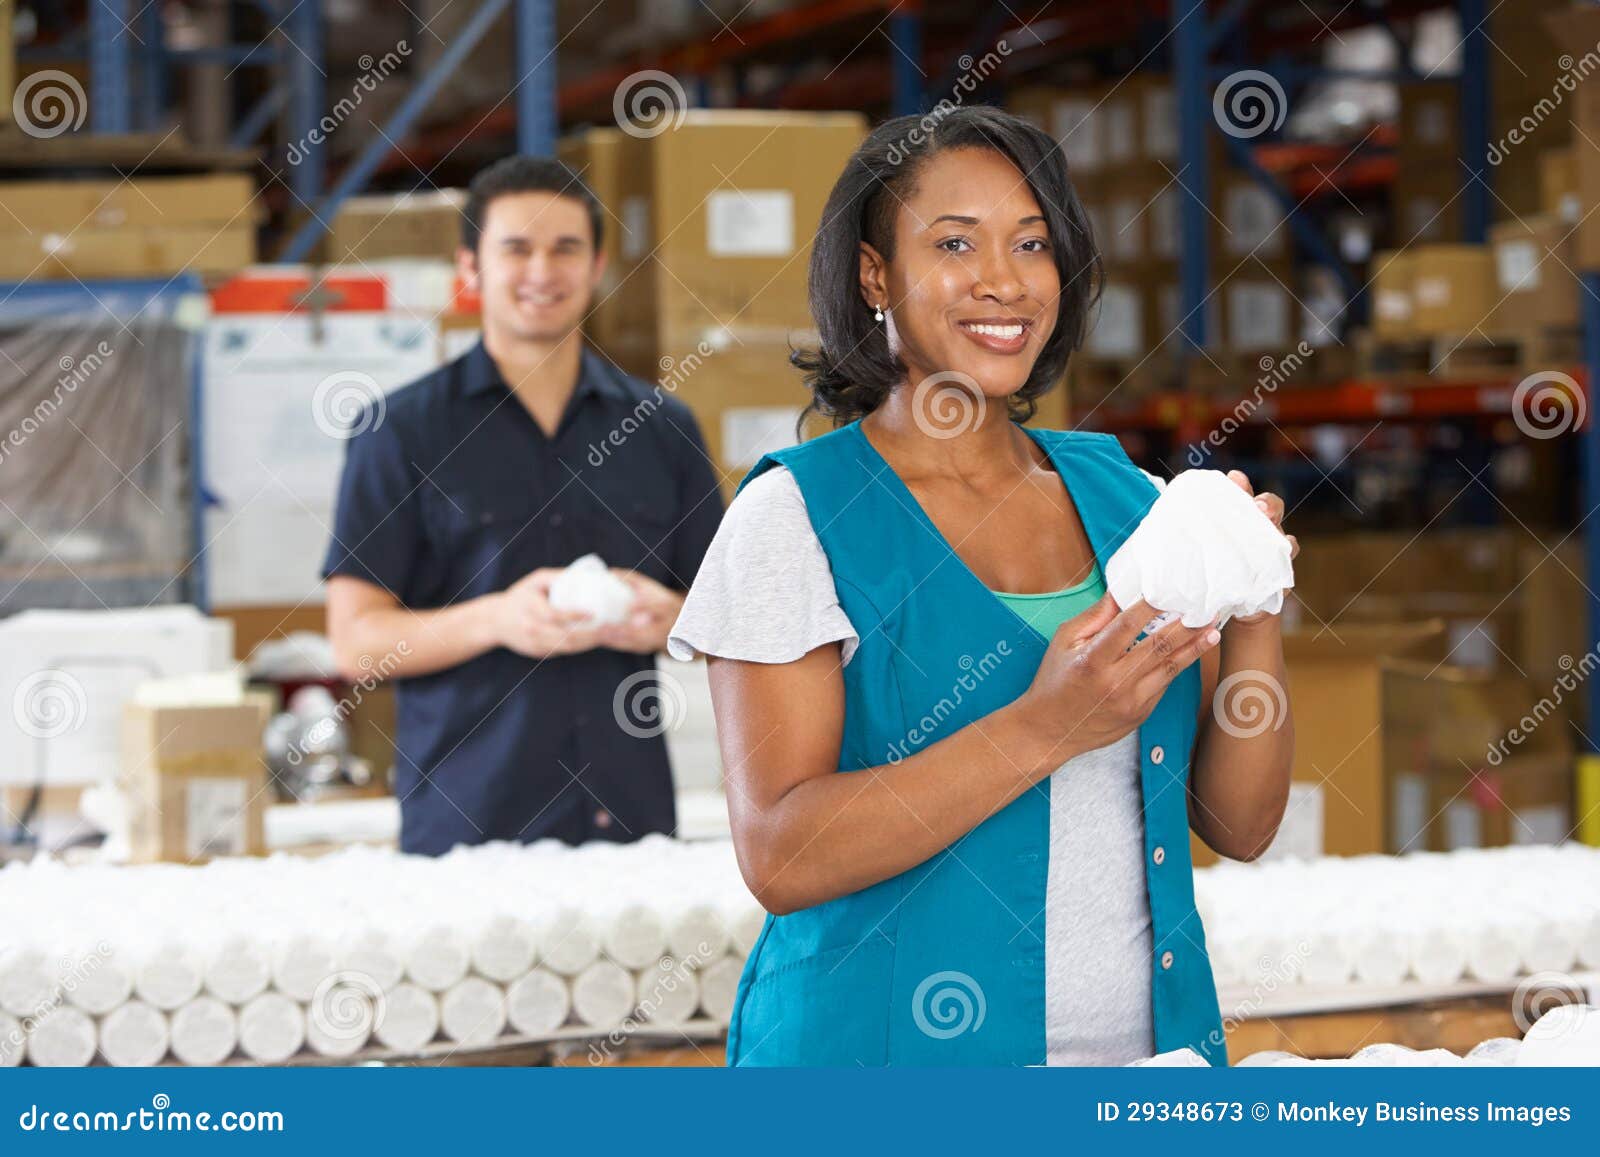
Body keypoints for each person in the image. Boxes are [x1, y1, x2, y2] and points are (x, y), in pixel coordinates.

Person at [668, 106, 1296, 1066]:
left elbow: (1239, 826)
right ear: (876, 273)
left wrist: (1252, 597)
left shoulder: (1128, 500)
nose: (1003, 281)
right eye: (954, 243)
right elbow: (779, 853)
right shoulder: (799, 515)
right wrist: (1048, 725)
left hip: (1147, 1065)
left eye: (1033, 243)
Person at [323, 156, 724, 856]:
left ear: (597, 266)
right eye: (517, 248)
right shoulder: (400, 431)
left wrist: (670, 620)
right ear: (470, 269)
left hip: (629, 828)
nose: (543, 270)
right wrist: (499, 618)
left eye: (566, 248)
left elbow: (732, 620)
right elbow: (355, 642)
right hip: (465, 833)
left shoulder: (664, 429)